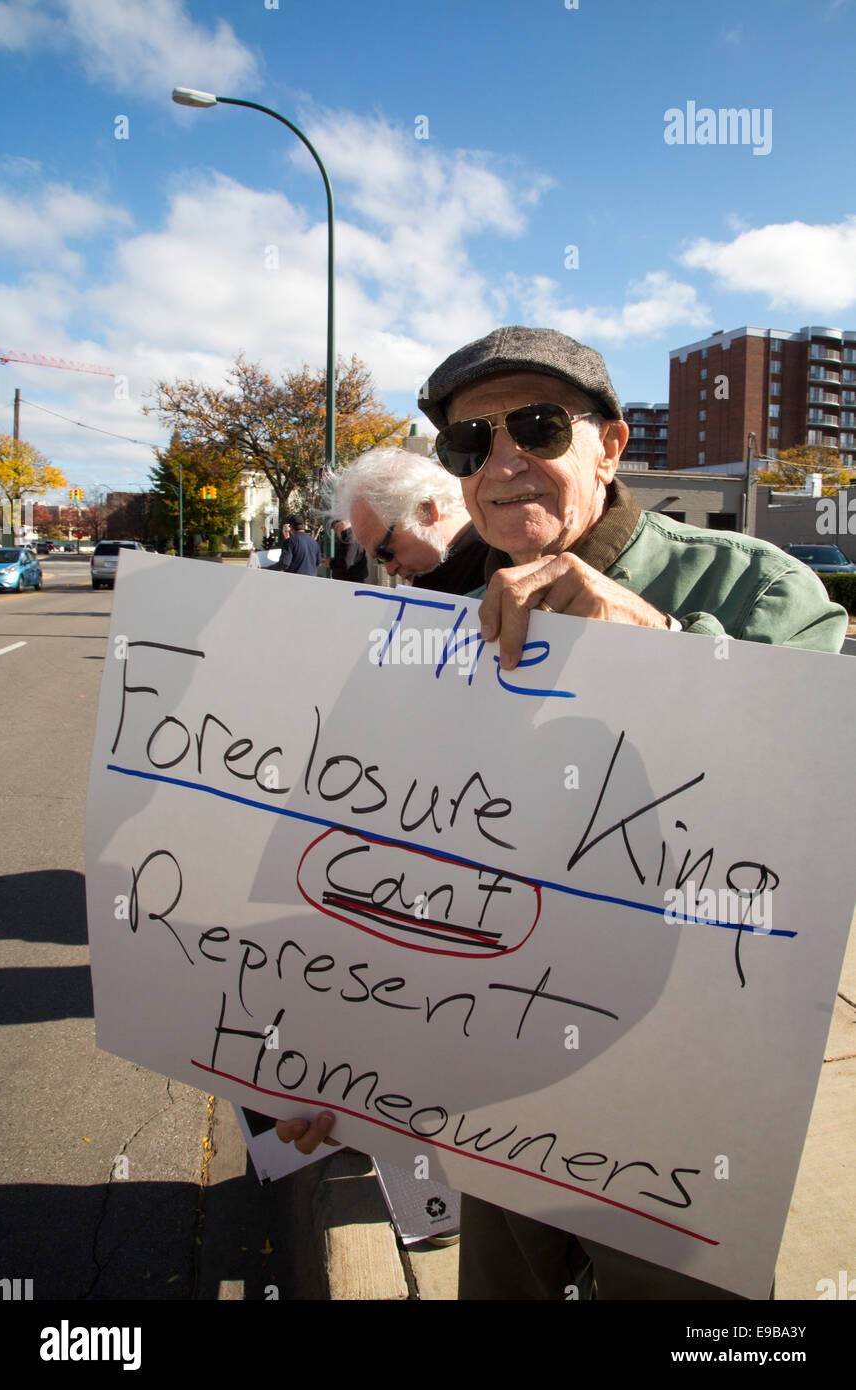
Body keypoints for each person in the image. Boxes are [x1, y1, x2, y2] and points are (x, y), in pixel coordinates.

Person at [276, 326, 847, 1298]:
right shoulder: (421, 629)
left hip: (673, 1111)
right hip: (490, 1088)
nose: (500, 463)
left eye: (536, 427)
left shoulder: (752, 587)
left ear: (610, 445)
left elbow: (807, 808)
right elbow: (380, 861)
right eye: (468, 444)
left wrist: (653, 648)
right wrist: (334, 1053)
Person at [326, 447, 488, 594]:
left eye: (386, 553)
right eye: (380, 559)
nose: (390, 570)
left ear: (425, 510)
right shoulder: (435, 573)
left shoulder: (502, 563)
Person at [327, 517, 369, 582]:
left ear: (342, 525)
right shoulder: (354, 535)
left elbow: (346, 562)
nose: (335, 532)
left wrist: (330, 563)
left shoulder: (348, 537)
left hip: (349, 580)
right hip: (352, 578)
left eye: (335, 528)